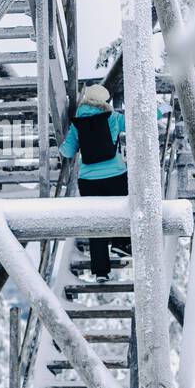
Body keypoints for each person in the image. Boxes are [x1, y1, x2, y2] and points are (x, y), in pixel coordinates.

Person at [59, 84, 129, 280]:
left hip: (88, 180)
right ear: (105, 102)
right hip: (116, 176)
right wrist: (161, 110)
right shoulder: (113, 118)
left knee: (96, 223)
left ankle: (100, 272)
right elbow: (139, 121)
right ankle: (121, 243)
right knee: (122, 212)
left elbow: (68, 151)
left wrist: (60, 143)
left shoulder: (78, 122)